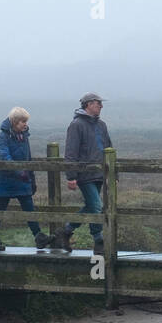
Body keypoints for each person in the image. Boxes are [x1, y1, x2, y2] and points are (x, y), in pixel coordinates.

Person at [52, 93, 112, 254]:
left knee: (92, 207)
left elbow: (108, 149)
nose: (101, 106)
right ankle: (98, 240)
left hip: (99, 173)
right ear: (88, 105)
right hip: (84, 175)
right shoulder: (76, 125)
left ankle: (65, 231)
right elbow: (71, 152)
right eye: (97, 103)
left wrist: (112, 174)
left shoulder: (102, 125)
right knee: (97, 206)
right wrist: (71, 176)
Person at [0, 107, 50, 251]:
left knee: (29, 208)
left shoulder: (24, 137)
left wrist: (31, 177)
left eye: (25, 121)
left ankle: (38, 236)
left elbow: (28, 158)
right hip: (6, 180)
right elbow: (4, 157)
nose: (25, 124)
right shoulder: (2, 137)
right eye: (23, 121)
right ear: (15, 122)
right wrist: (19, 171)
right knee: (0, 209)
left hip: (23, 179)